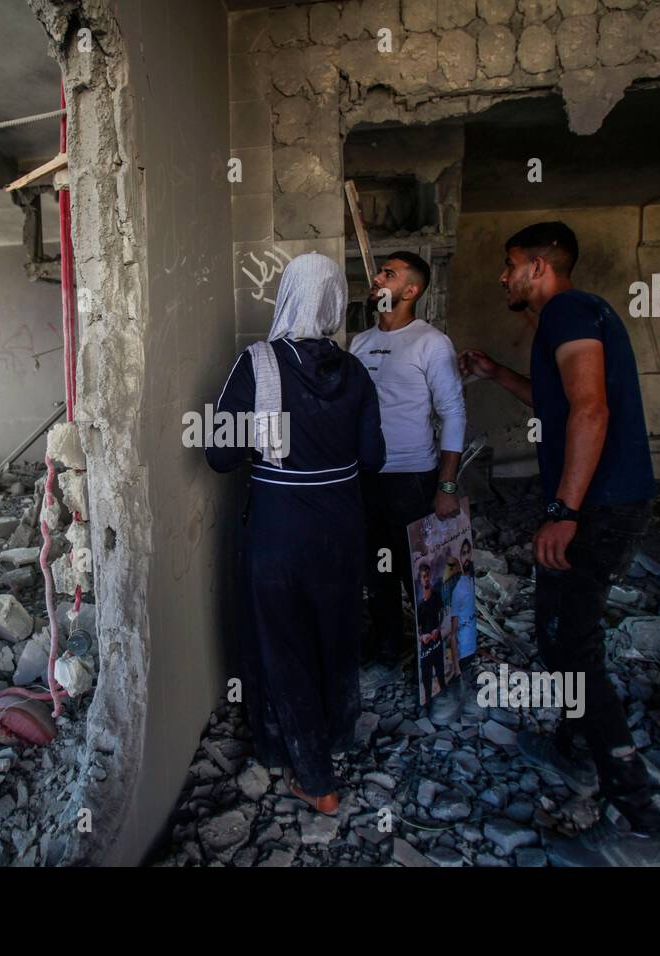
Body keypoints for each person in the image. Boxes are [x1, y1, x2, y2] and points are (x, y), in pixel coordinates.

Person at [458, 221, 660, 866]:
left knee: (571, 644)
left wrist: (564, 510)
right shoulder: (571, 318)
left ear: (537, 266)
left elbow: (590, 411)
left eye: (509, 266)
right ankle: (572, 748)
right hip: (599, 501)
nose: (502, 278)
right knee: (559, 633)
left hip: (599, 505)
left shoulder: (567, 310)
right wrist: (498, 373)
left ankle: (640, 821)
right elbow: (559, 404)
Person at [206, 252, 385, 816]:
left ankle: (314, 777)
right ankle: (334, 736)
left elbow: (219, 456)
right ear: (334, 302)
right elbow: (374, 458)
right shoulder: (355, 371)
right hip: (342, 522)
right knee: (334, 633)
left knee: (283, 644)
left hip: (281, 524)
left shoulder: (256, 364)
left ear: (286, 296)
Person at [350, 252, 467, 665]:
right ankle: (387, 648)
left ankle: (435, 661)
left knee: (422, 575)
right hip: (366, 478)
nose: (378, 278)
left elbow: (453, 411)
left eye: (389, 274)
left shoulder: (430, 342)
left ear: (411, 290)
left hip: (413, 478)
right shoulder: (360, 343)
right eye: (380, 271)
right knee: (376, 572)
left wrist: (446, 485)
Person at [415, 562, 446, 706]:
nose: (426, 579)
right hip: (426, 643)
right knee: (426, 674)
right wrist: (422, 636)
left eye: (428, 576)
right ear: (420, 580)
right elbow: (418, 626)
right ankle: (427, 702)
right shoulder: (419, 604)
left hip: (437, 638)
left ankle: (445, 693)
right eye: (424, 577)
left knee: (440, 669)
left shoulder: (437, 596)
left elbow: (442, 614)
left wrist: (438, 628)